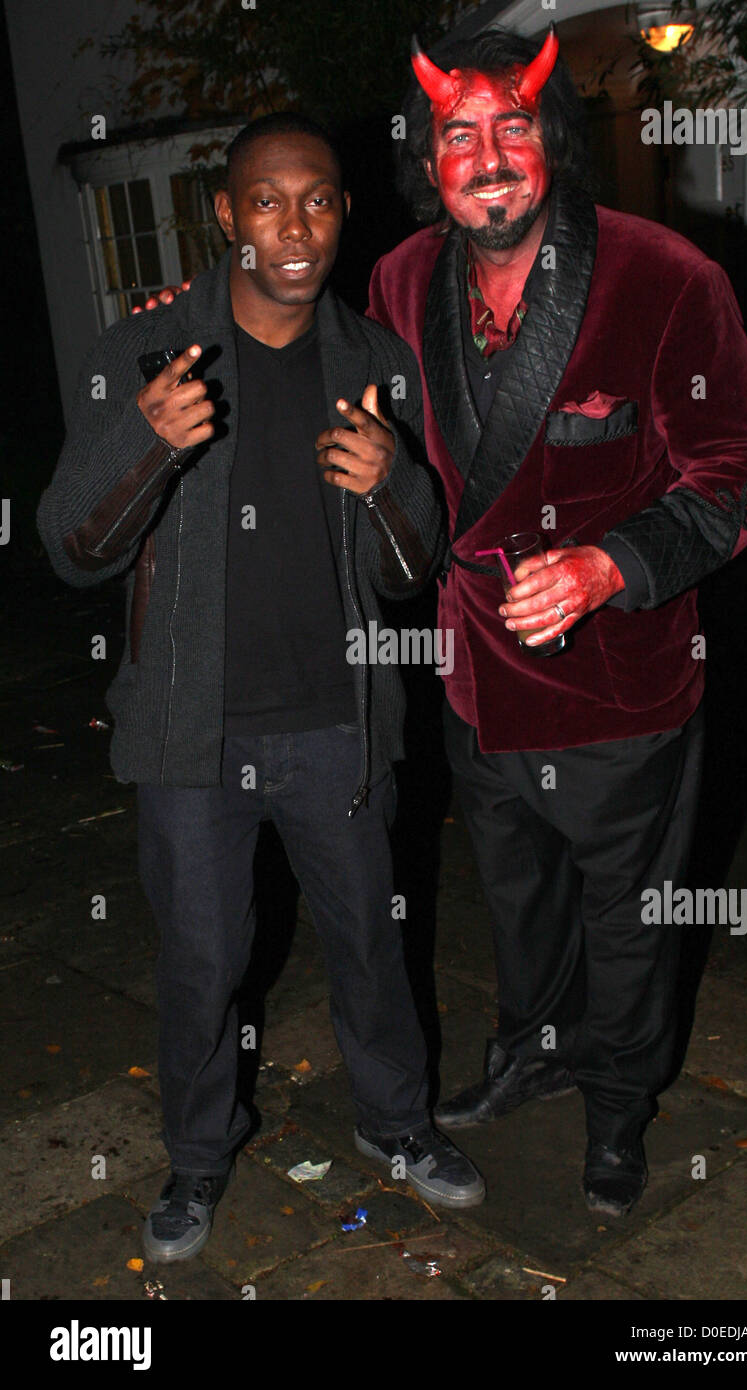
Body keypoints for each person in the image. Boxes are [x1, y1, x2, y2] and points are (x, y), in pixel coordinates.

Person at [37, 112, 485, 1264]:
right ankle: (195, 1163)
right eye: (268, 201)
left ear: (343, 212)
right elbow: (68, 548)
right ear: (226, 216)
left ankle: (397, 1126)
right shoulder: (141, 355)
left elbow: (407, 570)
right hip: (194, 735)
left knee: (372, 948)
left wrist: (394, 487)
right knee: (200, 961)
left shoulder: (374, 364)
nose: (296, 226)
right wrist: (144, 441)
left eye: (320, 199)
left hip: (338, 724)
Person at [366, 26, 747, 1216]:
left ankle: (619, 1103)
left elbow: (744, 467)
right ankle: (533, 1049)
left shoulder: (663, 276)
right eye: (460, 134)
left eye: (514, 127)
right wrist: (176, 318)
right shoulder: (398, 282)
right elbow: (331, 404)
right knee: (519, 899)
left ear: (551, 139)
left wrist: (612, 562)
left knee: (627, 920)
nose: (490, 157)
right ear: (427, 156)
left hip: (619, 677)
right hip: (477, 673)